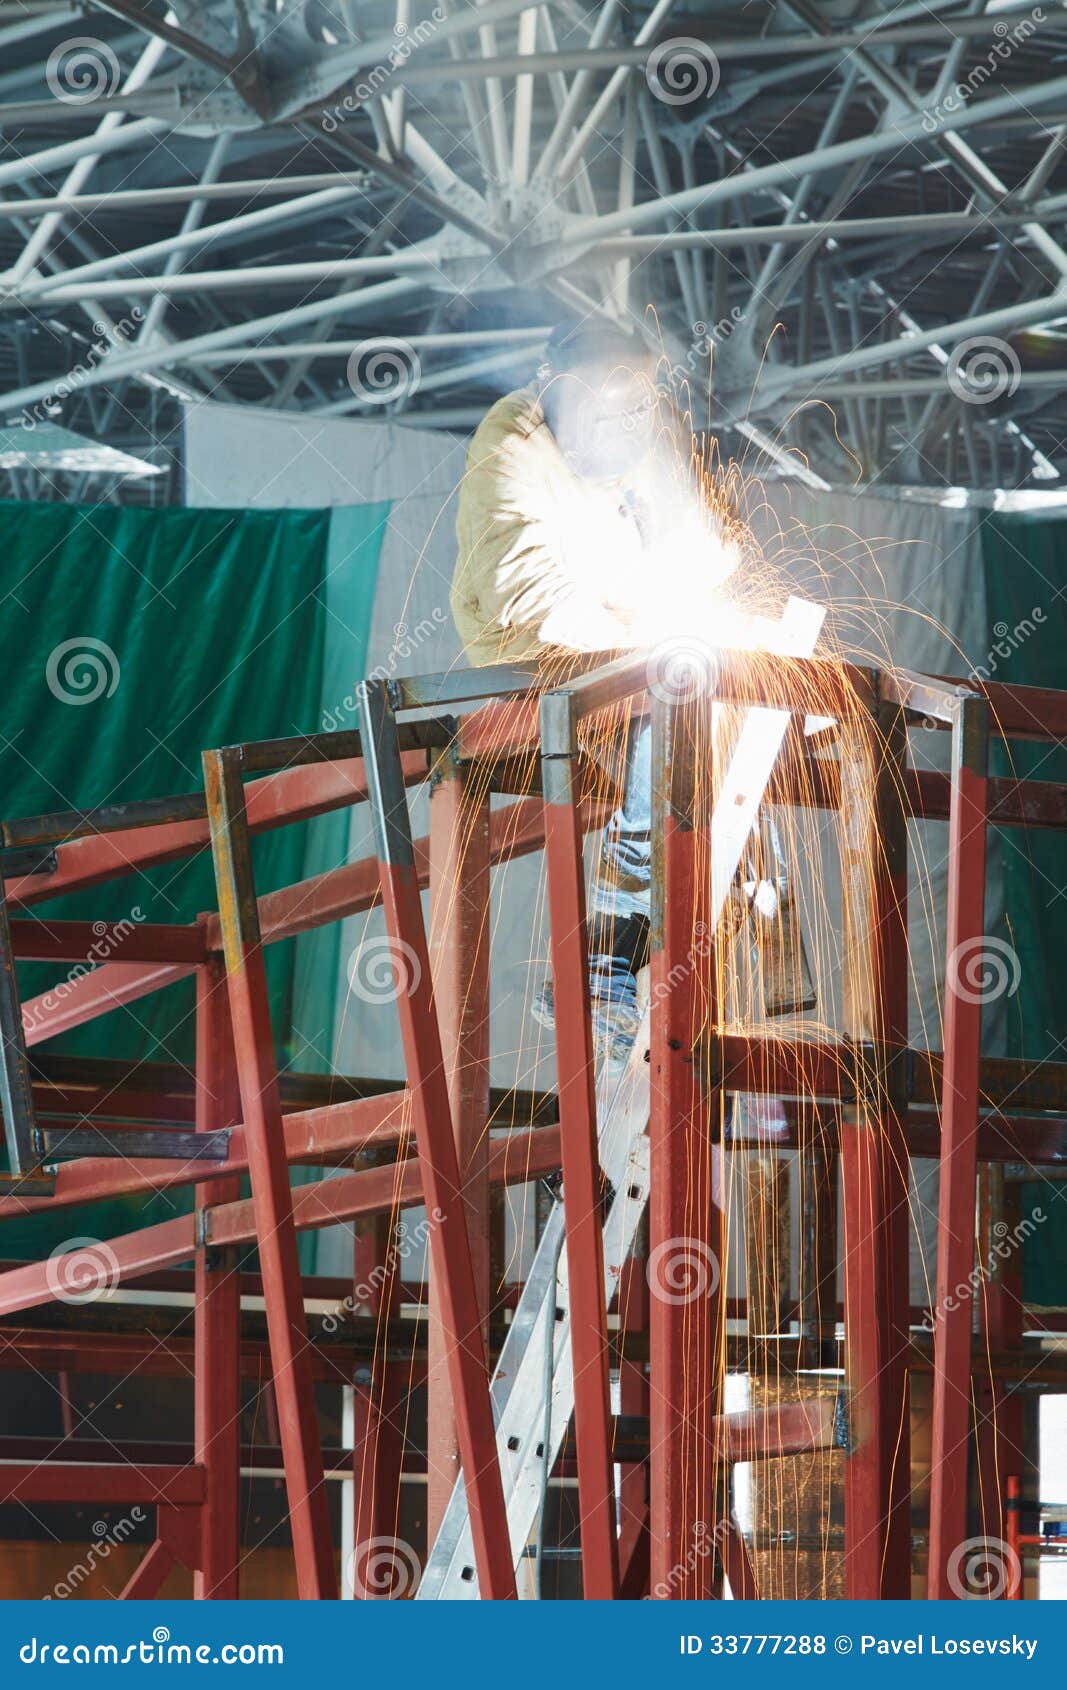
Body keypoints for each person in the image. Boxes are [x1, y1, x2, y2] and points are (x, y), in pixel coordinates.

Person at [451, 322, 671, 1059]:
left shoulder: (632, 440)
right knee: (664, 697)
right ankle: (601, 961)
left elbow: (695, 544)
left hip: (607, 645)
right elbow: (525, 589)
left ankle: (684, 941)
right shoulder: (510, 443)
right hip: (526, 650)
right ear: (554, 383)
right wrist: (631, 633)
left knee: (727, 707)